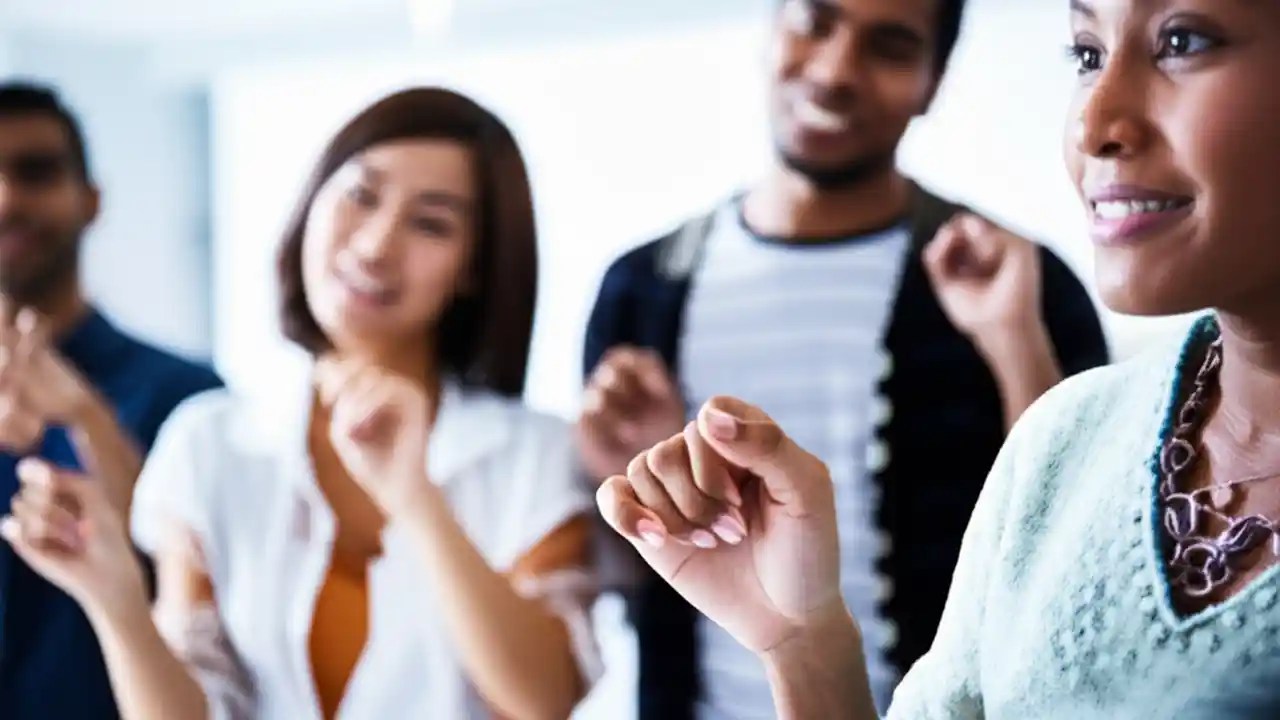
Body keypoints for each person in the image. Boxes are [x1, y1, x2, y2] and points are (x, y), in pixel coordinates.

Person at [595, 0, 1280, 717]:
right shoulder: (643, 287)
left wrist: (1013, 339)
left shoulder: (1012, 284)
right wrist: (798, 639)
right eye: (1085, 54)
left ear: (934, 80)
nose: (1090, 124)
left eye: (1184, 41)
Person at [1, 88, 599, 719]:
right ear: (311, 203)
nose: (374, 245)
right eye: (359, 196)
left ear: (474, 267)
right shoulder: (209, 440)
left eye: (431, 223)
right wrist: (115, 601)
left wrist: (413, 496)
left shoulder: (535, 454)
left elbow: (545, 702)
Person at [0, 82, 223, 719]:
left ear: (89, 201)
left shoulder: (192, 402)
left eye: (35, 173)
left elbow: (206, 592)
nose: (7, 197)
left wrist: (82, 415)